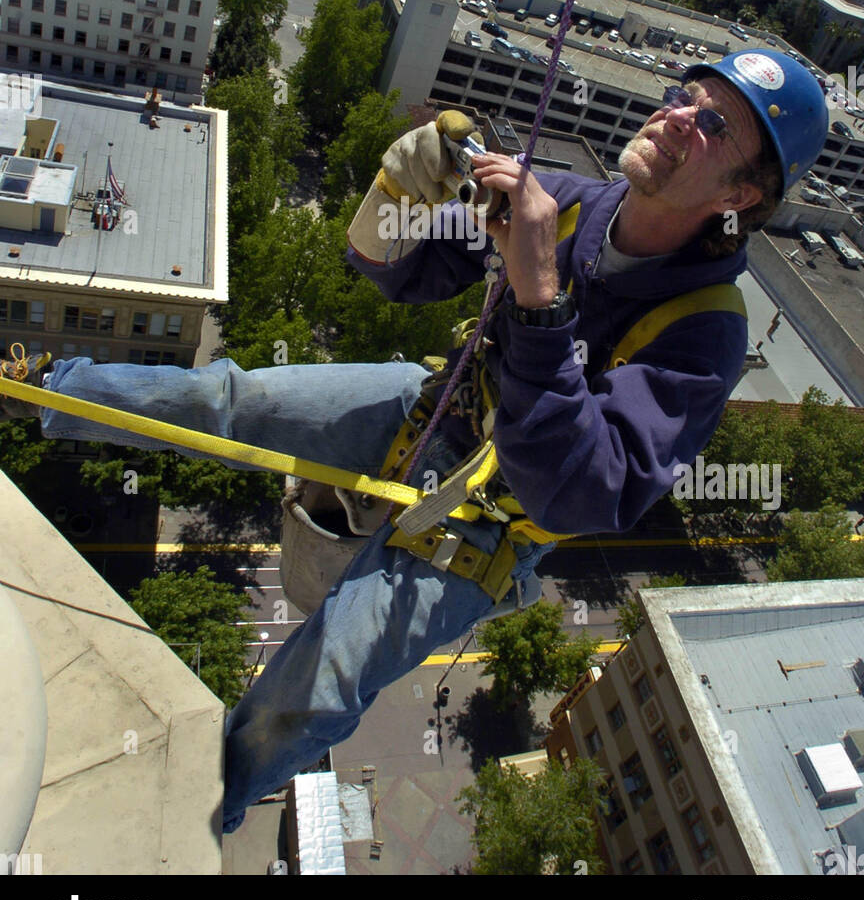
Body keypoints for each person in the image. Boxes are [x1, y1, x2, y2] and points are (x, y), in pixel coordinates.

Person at [0, 51, 828, 831]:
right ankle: (47, 388)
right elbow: (396, 270)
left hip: (490, 524)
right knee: (237, 397)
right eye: (685, 95)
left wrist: (539, 291)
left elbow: (579, 491)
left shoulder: (704, 334)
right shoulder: (570, 201)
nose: (680, 116)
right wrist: (398, 191)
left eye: (715, 125)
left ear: (743, 197)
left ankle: (201, 801)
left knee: (322, 680)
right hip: (437, 407)